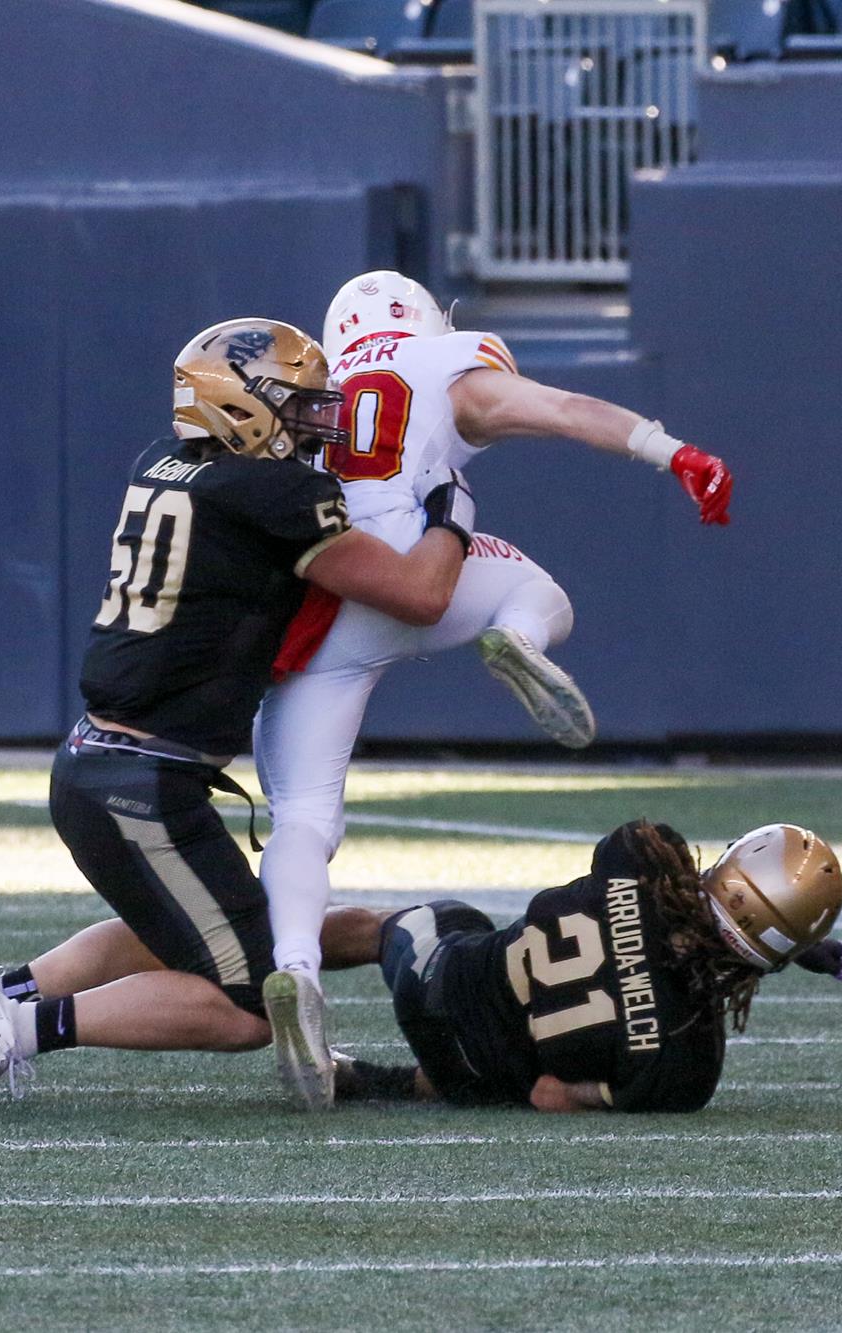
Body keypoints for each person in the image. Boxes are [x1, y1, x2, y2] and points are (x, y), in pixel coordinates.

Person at [0, 316, 475, 1118]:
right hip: (139, 786)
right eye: (298, 404)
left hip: (104, 762)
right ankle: (9, 1024)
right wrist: (450, 514)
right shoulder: (277, 493)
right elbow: (420, 592)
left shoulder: (167, 461)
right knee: (249, 1005)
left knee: (176, 932)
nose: (317, 422)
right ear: (237, 405)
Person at [255, 271, 736, 1111]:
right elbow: (560, 411)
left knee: (302, 816)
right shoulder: (442, 359)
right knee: (541, 593)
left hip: (323, 602)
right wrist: (672, 451)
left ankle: (295, 967)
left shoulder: (307, 389)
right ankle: (514, 638)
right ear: (421, 318)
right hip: (422, 563)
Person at [329, 819, 842, 1112]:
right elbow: (548, 1094)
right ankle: (362, 1078)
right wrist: (797, 947)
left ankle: (266, 962)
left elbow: (677, 897)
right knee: (520, 1064)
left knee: (407, 924)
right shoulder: (690, 1067)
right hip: (470, 1076)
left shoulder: (641, 857)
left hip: (442, 984)